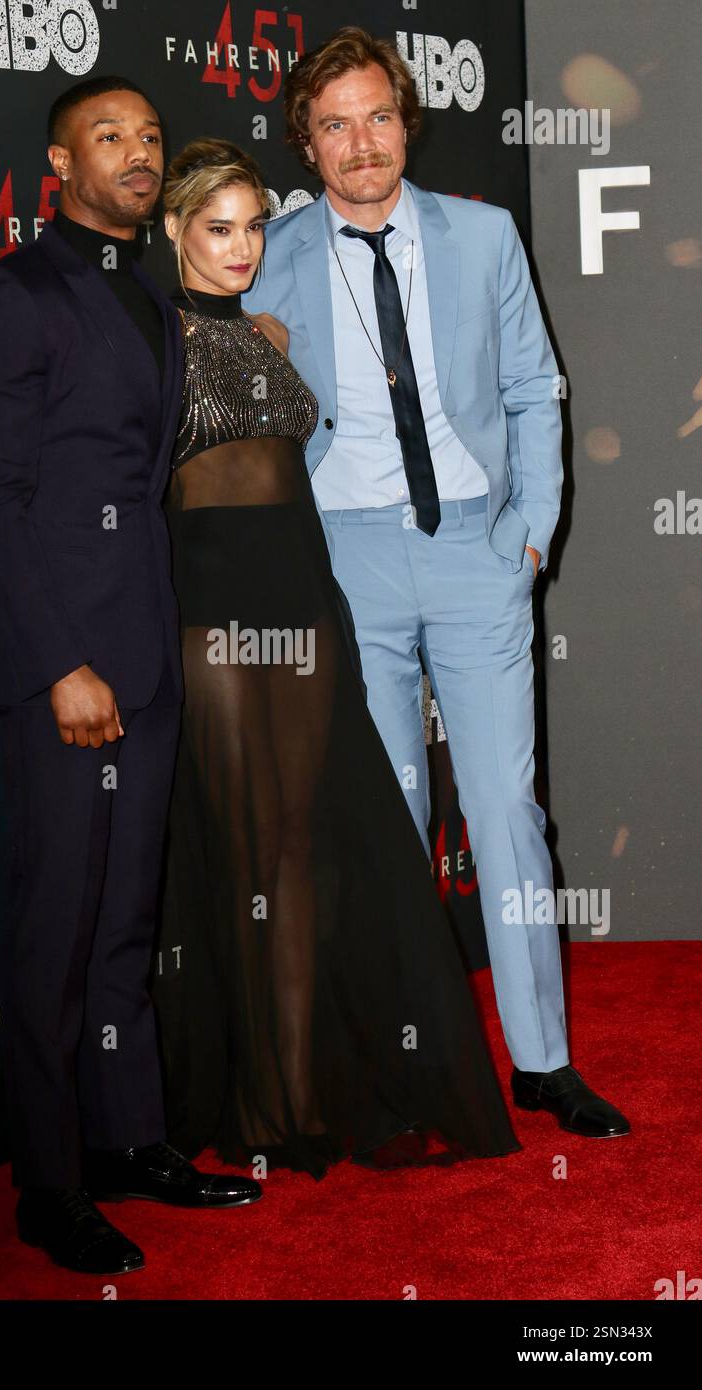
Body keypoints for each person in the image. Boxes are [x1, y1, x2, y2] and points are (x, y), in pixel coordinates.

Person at [240, 27, 629, 1139]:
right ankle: (410, 1061)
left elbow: (533, 387)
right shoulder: (271, 254)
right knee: (389, 814)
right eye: (335, 125)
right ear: (306, 143)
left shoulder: (484, 235)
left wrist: (531, 534)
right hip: (347, 558)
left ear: (405, 123)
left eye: (378, 117)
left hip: (475, 552)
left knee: (504, 808)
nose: (361, 142)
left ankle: (544, 1061)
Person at [149, 137, 522, 1181]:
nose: (242, 247)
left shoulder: (270, 332)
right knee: (248, 855)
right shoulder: (149, 341)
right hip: (215, 621)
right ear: (173, 230)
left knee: (305, 849)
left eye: (254, 227)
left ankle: (308, 1089)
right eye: (218, 228)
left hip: (306, 607)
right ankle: (262, 1104)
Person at [0, 77, 261, 1278]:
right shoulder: (14, 294)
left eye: (150, 137)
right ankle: (48, 1183)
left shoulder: (147, 292)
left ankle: (128, 1141)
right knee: (57, 933)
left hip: (146, 651)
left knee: (125, 922)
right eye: (108, 137)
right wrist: (60, 663)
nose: (137, 153)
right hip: (64, 669)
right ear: (59, 166)